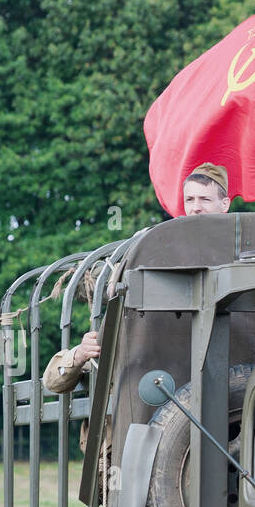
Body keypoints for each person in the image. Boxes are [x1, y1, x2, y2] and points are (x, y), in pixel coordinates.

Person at [43, 161, 230, 394]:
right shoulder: (153, 250)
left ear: (225, 204)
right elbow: (52, 381)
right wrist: (80, 354)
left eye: (205, 199)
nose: (196, 208)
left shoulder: (241, 254)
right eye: (190, 200)